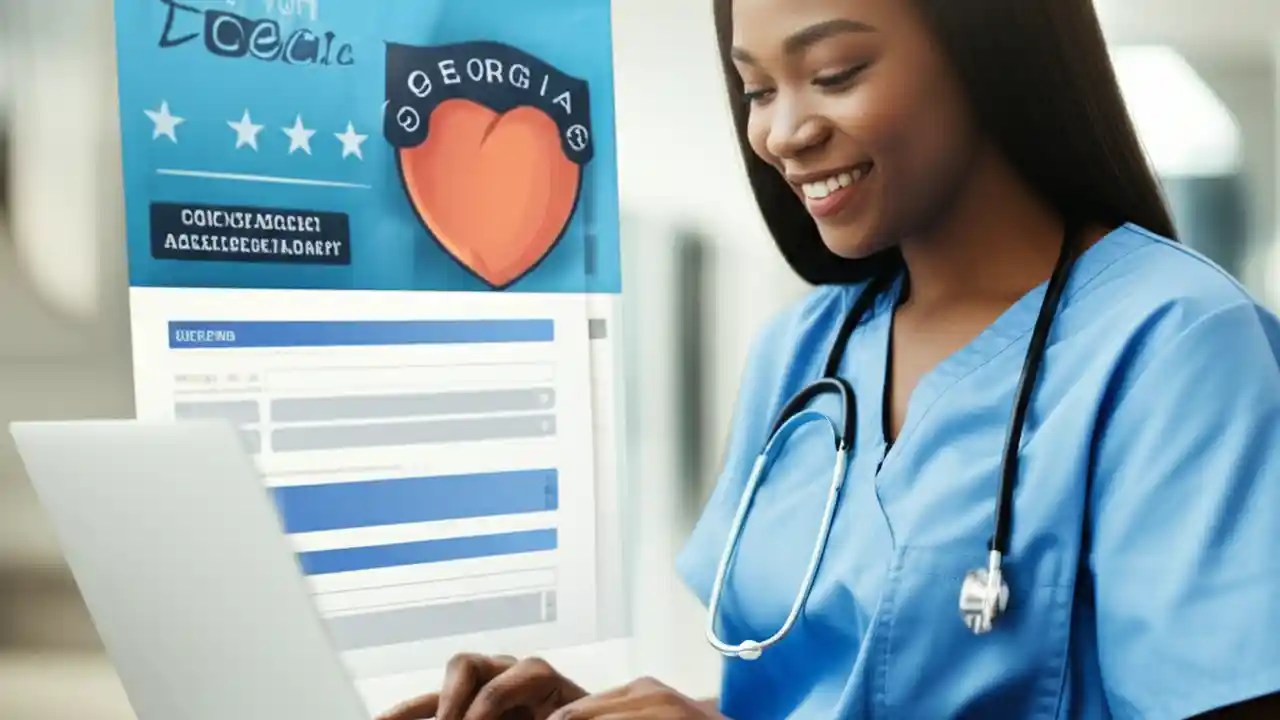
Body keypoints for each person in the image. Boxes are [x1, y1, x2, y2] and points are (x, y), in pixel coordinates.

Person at [379, 0, 1280, 717]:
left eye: (834, 73)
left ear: (990, 51)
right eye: (757, 89)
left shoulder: (1178, 344)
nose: (781, 133)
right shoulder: (806, 349)